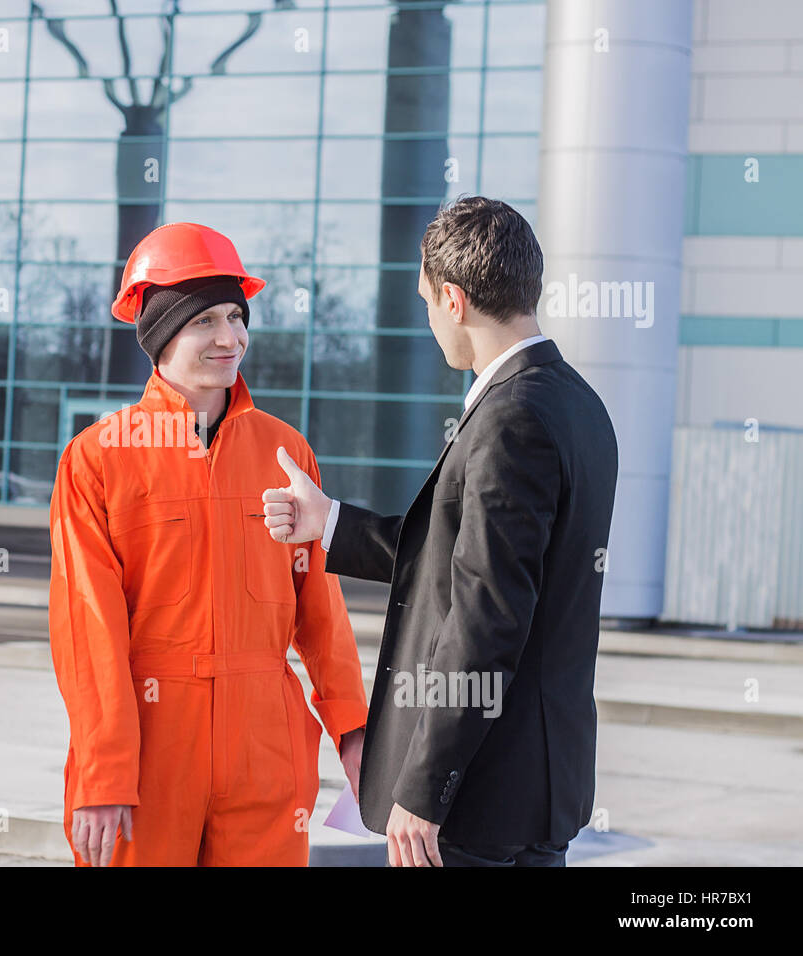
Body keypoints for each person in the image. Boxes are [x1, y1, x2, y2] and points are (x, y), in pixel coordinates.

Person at [264, 196, 619, 867]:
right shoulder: (578, 404)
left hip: (480, 800)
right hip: (538, 789)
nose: (429, 321)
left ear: (453, 300)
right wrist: (328, 522)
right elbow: (465, 558)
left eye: (426, 301)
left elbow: (486, 617)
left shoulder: (510, 419)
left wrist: (426, 789)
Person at [48, 222, 367, 867]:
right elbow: (88, 629)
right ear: (159, 334)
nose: (230, 338)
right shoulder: (99, 458)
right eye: (204, 321)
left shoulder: (285, 453)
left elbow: (322, 610)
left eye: (236, 316)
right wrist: (105, 774)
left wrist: (356, 732)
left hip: (265, 750)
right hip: (150, 755)